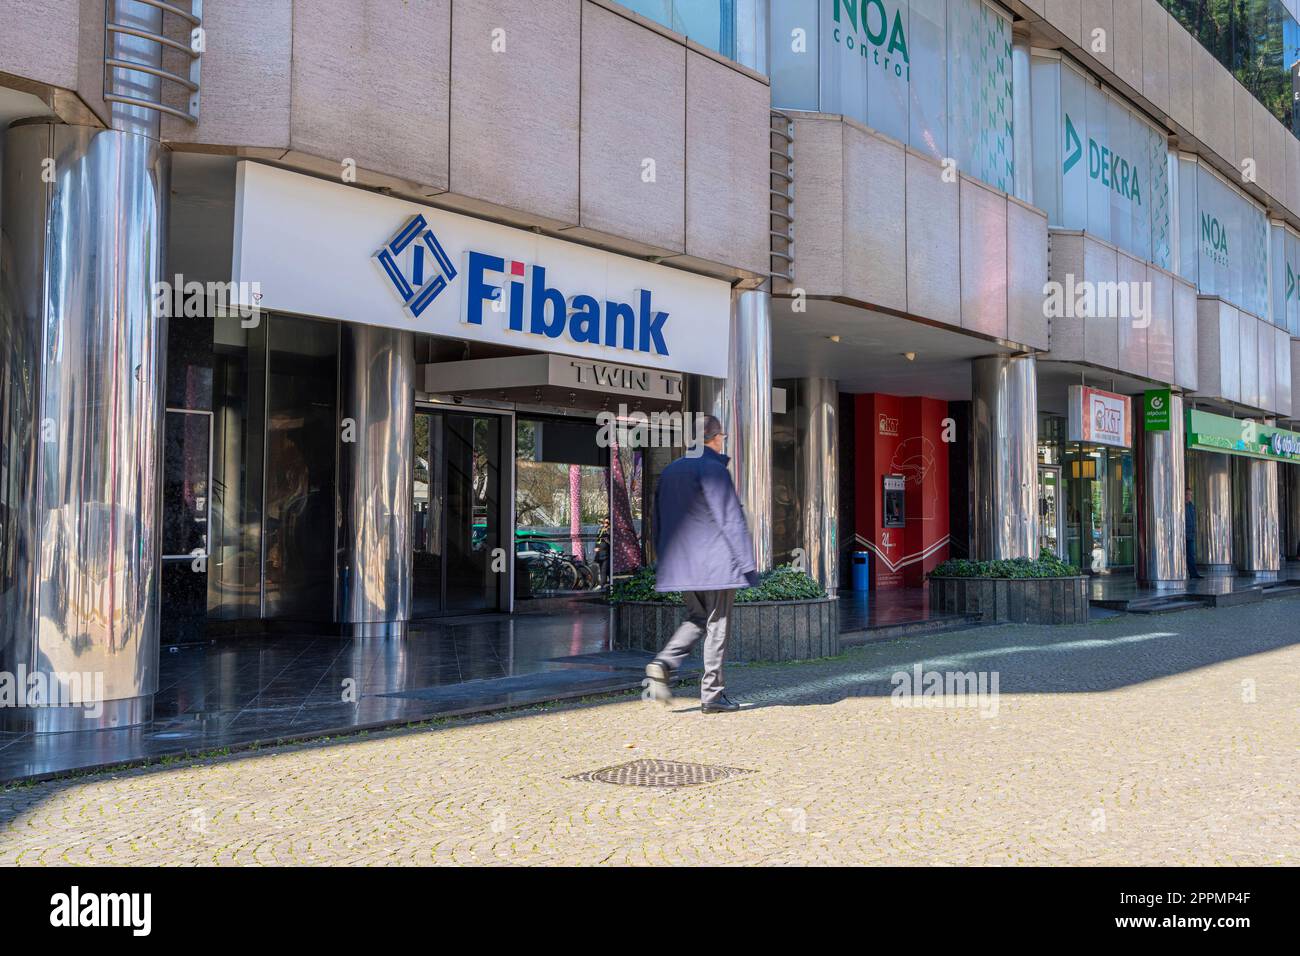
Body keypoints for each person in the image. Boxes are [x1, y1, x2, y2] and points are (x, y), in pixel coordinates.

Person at [644, 415, 758, 714]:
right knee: (717, 624)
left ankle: (664, 662)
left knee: (696, 618)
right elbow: (730, 518)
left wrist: (663, 559)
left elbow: (657, 521)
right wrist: (748, 565)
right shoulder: (713, 468)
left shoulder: (670, 471)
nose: (724, 442)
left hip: (682, 565)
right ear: (715, 438)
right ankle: (713, 695)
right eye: (723, 436)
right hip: (716, 565)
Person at [1185, 487, 1201, 579]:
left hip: (1190, 534)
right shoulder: (1182, 506)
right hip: (1184, 534)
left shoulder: (1192, 506)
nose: (1188, 496)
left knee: (1191, 554)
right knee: (1188, 555)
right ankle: (1192, 573)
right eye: (1187, 494)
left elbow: (1193, 520)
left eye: (1190, 495)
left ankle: (1193, 574)